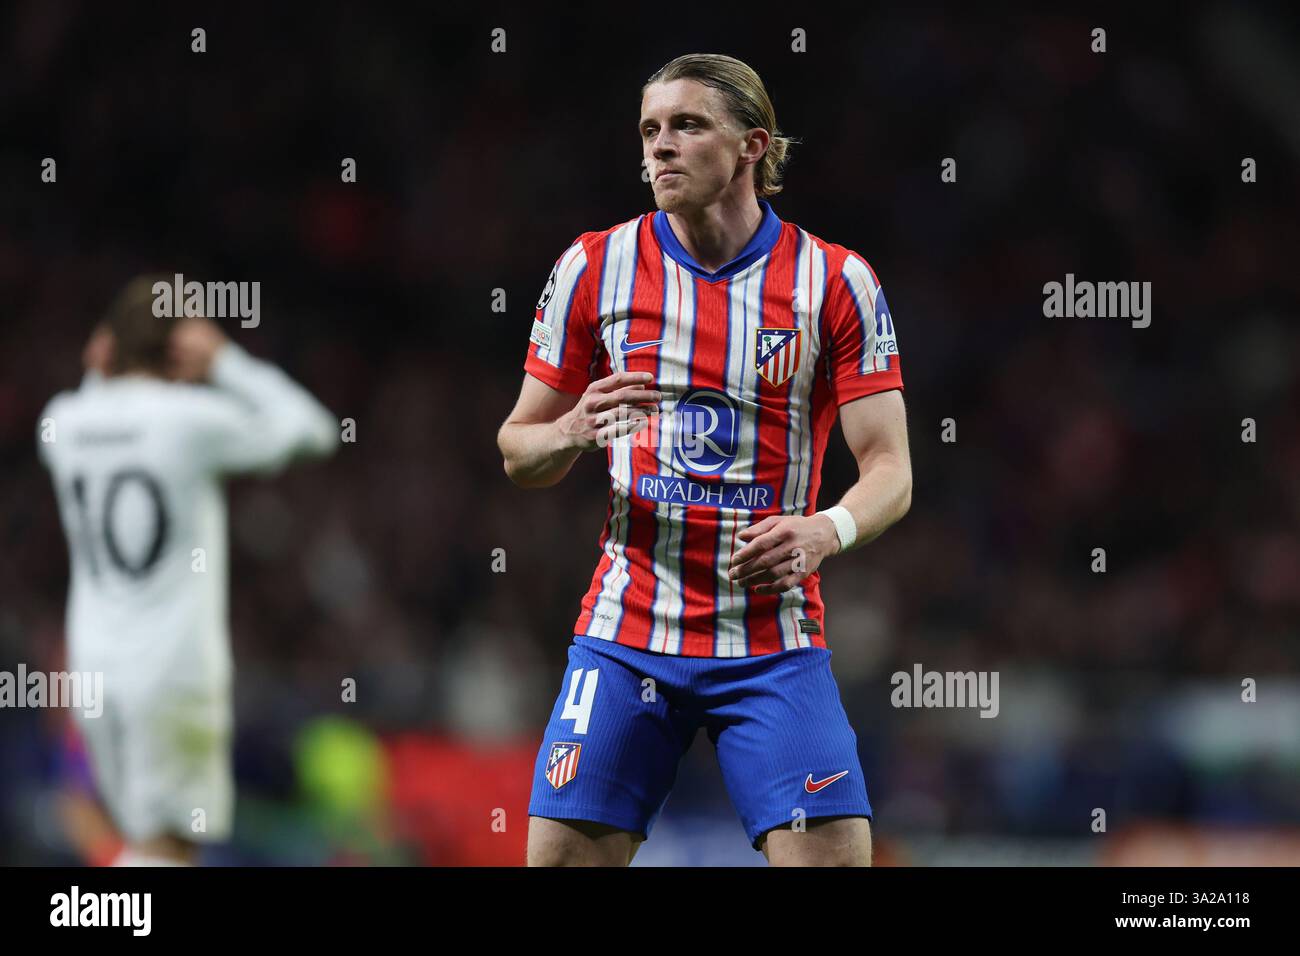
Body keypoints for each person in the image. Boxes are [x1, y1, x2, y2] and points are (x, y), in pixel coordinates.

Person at [498, 54, 912, 866]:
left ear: (753, 144)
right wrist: (569, 431)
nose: (660, 147)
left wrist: (828, 530)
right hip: (626, 636)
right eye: (650, 129)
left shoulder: (835, 281)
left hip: (772, 641)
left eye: (687, 125)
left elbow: (891, 468)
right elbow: (519, 450)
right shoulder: (593, 266)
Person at [38, 277, 339, 865]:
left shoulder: (63, 423)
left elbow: (98, 398)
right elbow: (315, 431)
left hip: (94, 671)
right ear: (182, 345)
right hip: (171, 672)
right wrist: (227, 362)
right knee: (169, 848)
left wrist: (103, 367)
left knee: (139, 840)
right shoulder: (190, 421)